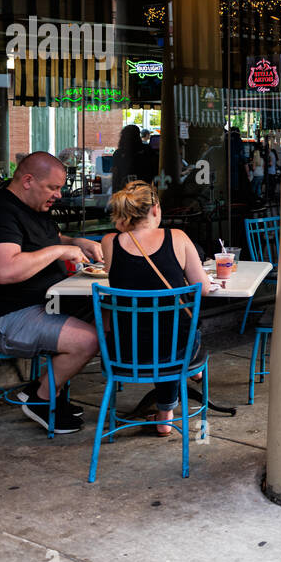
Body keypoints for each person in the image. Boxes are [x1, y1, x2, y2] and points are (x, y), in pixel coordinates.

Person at [0, 152, 104, 433]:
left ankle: (43, 387)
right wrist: (60, 251)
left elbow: (46, 239)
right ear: (27, 181)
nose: (59, 195)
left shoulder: (33, 209)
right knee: (87, 340)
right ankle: (42, 398)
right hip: (1, 315)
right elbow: (5, 271)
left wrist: (75, 241)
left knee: (109, 317)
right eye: (53, 187)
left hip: (40, 304)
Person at [101, 181, 215, 435]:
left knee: (155, 333)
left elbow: (118, 270)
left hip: (126, 351)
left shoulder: (110, 242)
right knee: (173, 333)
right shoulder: (177, 237)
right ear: (155, 209)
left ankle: (167, 408)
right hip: (176, 350)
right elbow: (203, 288)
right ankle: (166, 412)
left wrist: (124, 224)